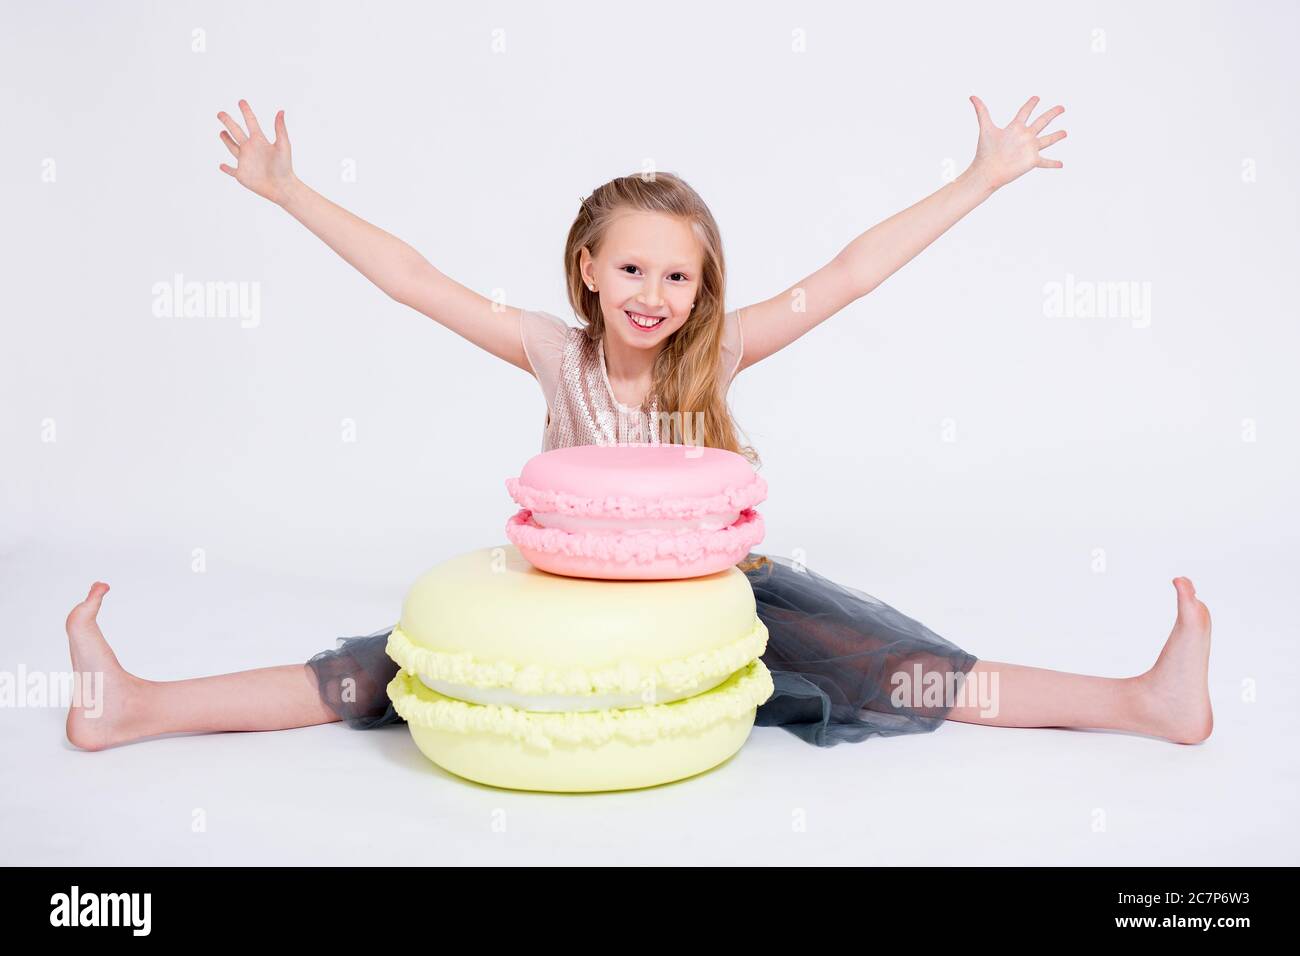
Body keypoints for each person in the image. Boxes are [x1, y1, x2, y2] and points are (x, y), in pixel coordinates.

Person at [63, 95, 1212, 753]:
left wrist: (982, 177)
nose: (653, 293)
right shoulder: (550, 349)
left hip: (717, 594)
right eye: (631, 268)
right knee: (381, 673)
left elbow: (852, 272)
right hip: (561, 600)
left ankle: (1136, 701)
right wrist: (290, 191)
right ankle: (140, 704)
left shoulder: (718, 351)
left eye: (676, 273)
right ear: (589, 268)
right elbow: (414, 279)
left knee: (895, 666)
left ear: (700, 287)